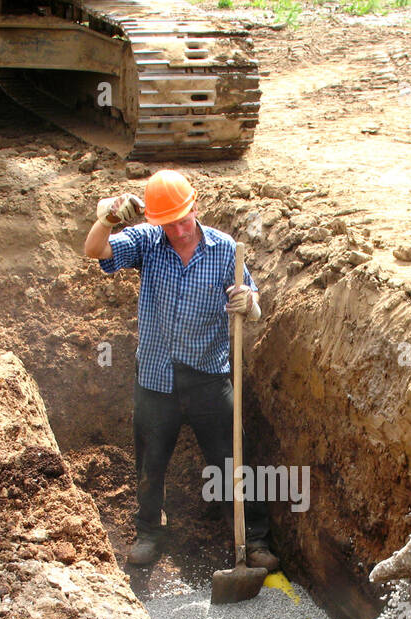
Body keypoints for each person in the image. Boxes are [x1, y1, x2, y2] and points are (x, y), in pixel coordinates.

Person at [83, 169, 279, 571]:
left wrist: (249, 303)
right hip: (156, 376)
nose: (179, 229)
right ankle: (149, 532)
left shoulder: (225, 250)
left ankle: (253, 539)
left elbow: (251, 299)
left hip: (207, 374)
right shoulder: (147, 243)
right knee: (150, 462)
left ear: (194, 208)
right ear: (155, 221)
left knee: (232, 461)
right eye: (168, 223)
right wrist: (108, 219)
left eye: (183, 219)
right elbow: (94, 250)